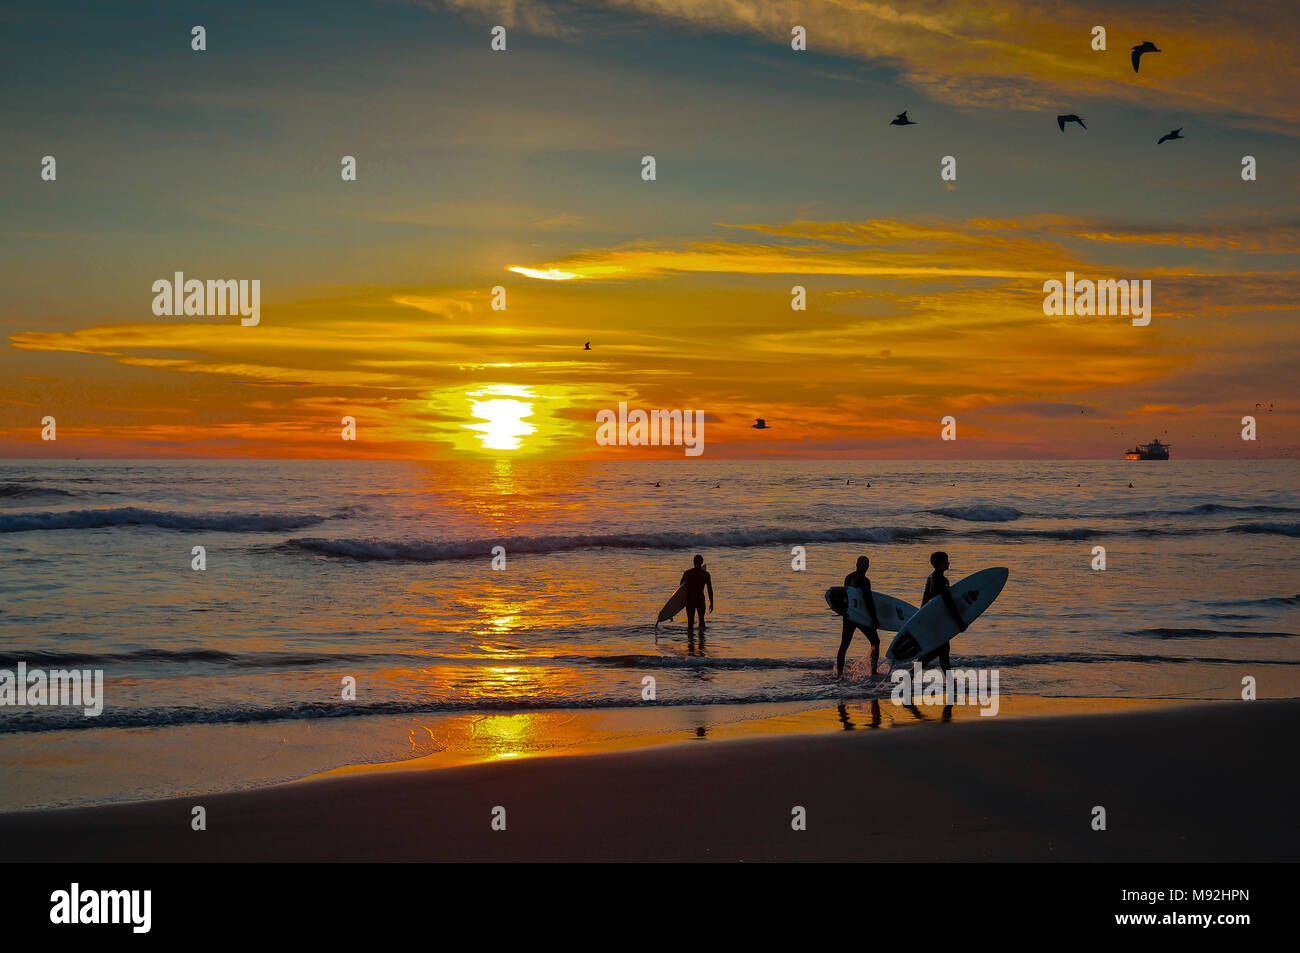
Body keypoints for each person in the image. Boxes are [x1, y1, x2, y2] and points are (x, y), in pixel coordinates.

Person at [919, 551, 966, 672]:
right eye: (946, 560)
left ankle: (950, 683)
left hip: (931, 620)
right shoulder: (942, 580)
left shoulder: (930, 578)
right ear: (940, 563)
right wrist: (959, 622)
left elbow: (924, 602)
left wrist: (921, 621)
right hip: (939, 622)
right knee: (941, 651)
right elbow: (948, 603)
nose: (948, 563)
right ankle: (910, 675)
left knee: (943, 651)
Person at [836, 555, 881, 677]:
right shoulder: (865, 581)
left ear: (856, 564)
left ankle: (839, 673)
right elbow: (868, 600)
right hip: (861, 617)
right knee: (875, 641)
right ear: (867, 567)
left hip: (849, 616)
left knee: (844, 644)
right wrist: (874, 619)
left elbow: (847, 598)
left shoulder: (848, 578)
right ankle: (873, 671)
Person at [680, 555, 714, 630]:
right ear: (701, 563)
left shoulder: (687, 573)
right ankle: (702, 640)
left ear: (693, 562)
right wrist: (711, 603)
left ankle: (690, 640)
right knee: (701, 620)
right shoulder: (705, 574)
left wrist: (680, 602)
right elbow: (709, 589)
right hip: (700, 599)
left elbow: (681, 588)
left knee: (690, 622)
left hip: (690, 600)